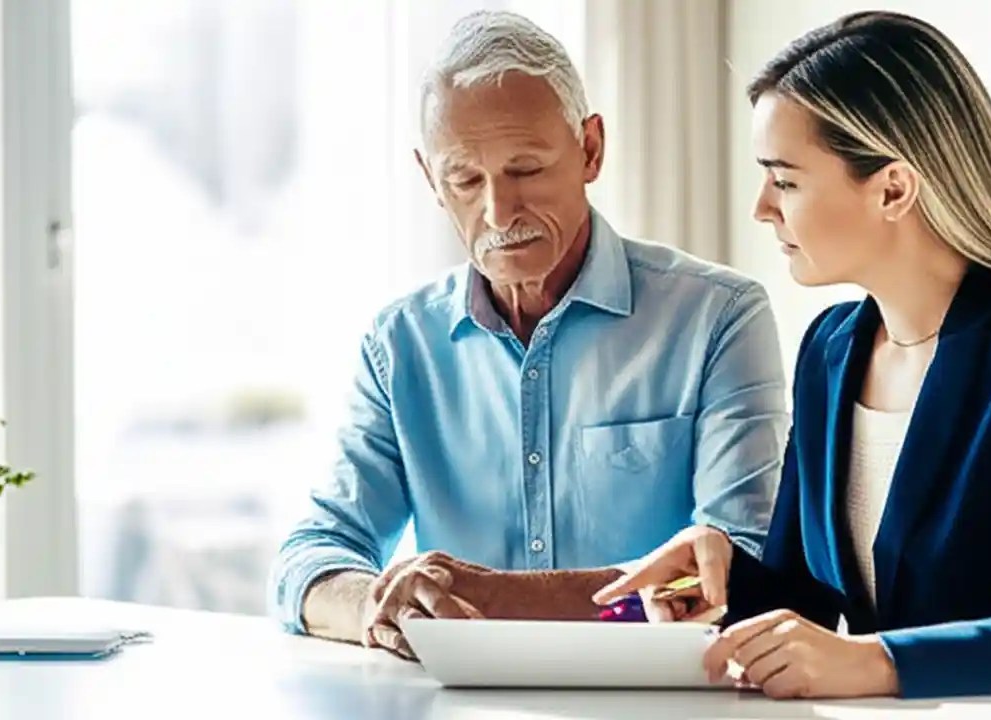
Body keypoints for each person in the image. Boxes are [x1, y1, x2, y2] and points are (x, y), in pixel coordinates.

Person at [595, 11, 991, 700]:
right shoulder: (831, 348)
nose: (761, 207)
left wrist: (880, 662)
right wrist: (720, 571)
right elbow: (805, 601)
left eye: (784, 180)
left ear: (894, 188)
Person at [267, 10, 789, 658]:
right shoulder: (399, 345)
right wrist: (380, 605)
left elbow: (744, 568)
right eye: (464, 178)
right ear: (432, 180)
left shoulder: (719, 318)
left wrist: (482, 600)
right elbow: (309, 558)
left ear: (591, 149)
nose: (497, 210)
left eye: (527, 170)